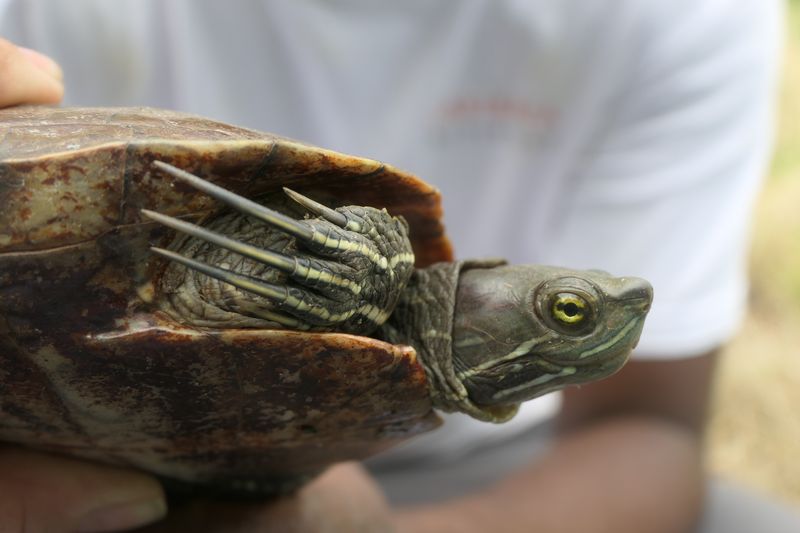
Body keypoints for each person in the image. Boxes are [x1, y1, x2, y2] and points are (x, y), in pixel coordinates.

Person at [0, 1, 797, 531]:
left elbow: (649, 425)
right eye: (568, 312)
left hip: (446, 472)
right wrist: (335, 268)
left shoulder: (684, 16)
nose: (625, 304)